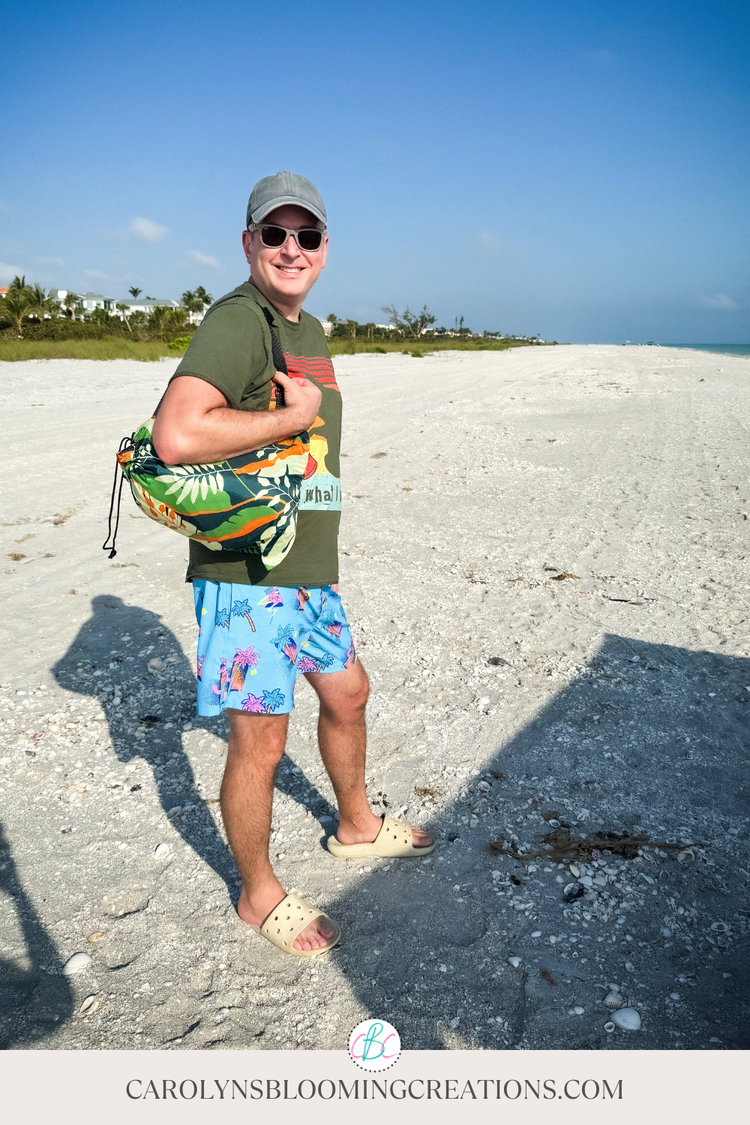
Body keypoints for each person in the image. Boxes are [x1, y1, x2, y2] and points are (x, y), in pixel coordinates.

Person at [152, 172, 433, 957]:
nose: (290, 248)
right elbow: (176, 434)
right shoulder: (238, 320)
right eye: (273, 234)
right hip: (244, 578)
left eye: (305, 235)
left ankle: (354, 825)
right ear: (248, 243)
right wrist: (290, 414)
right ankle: (257, 893)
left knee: (348, 692)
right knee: (260, 741)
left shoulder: (304, 327)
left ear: (324, 248)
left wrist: (321, 546)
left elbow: (311, 447)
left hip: (304, 571)